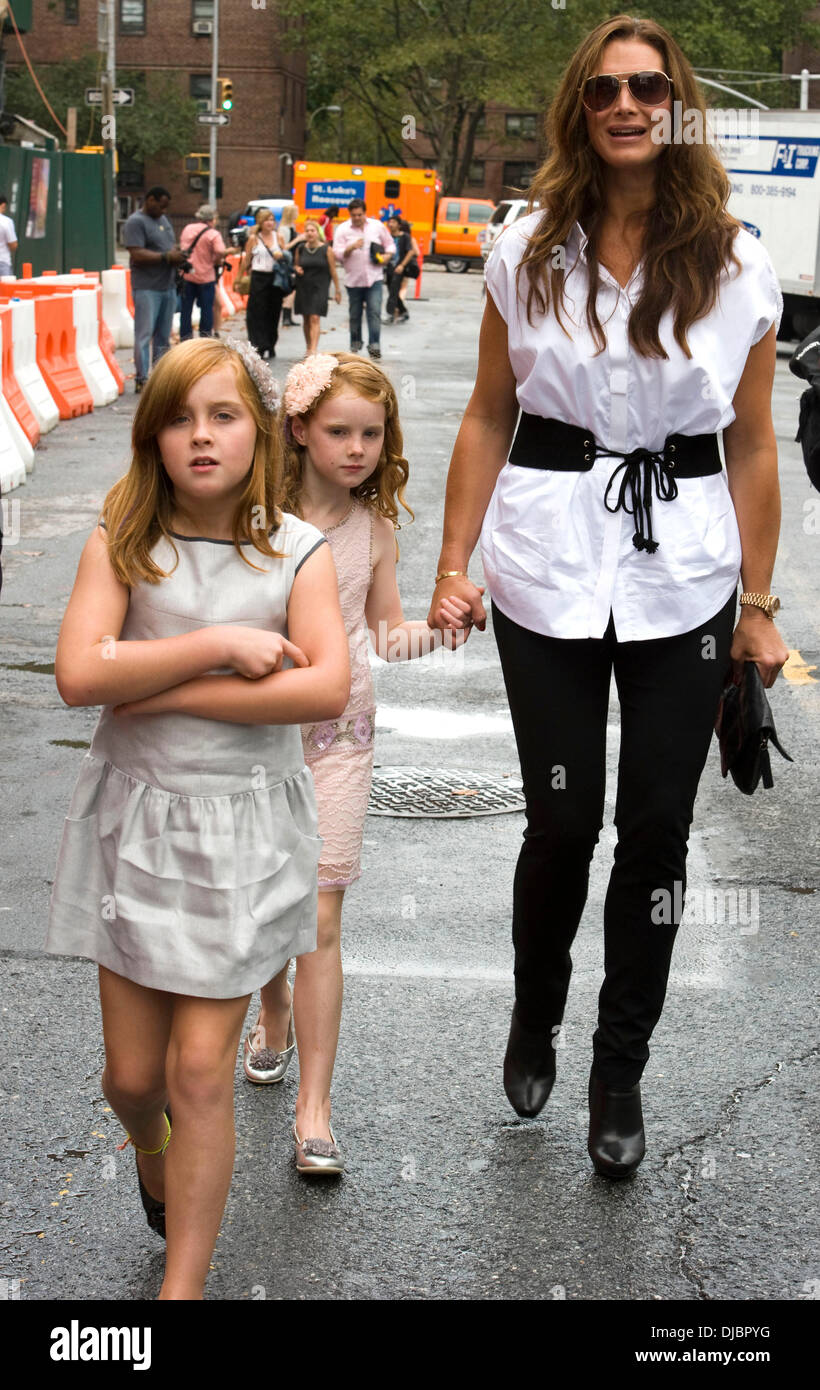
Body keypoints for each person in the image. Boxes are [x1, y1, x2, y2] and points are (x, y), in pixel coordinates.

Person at [428, 13, 788, 1179]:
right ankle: (536, 1008)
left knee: (659, 834)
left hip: (682, 573)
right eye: (601, 91)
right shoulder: (526, 245)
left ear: (676, 105)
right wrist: (452, 560)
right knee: (565, 822)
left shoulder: (736, 259)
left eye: (645, 87)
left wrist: (760, 602)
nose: (625, 105)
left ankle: (617, 1063)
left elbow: (751, 447)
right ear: (578, 111)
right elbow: (488, 411)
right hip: (543, 565)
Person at [46, 338, 349, 1297]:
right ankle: (150, 1154)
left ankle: (183, 1288)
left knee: (200, 1071)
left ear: (259, 434)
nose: (201, 437)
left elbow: (325, 689)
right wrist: (219, 644)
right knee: (133, 1081)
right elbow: (80, 675)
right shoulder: (122, 539)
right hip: (136, 829)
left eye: (222, 416)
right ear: (153, 437)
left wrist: (166, 692)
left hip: (243, 835)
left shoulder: (297, 551)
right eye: (179, 419)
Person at [242, 352, 463, 1174]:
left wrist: (447, 626)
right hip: (255, 735)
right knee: (265, 907)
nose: (358, 448)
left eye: (372, 433)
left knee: (321, 919)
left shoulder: (375, 530)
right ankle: (273, 1018)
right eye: (339, 431)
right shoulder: (251, 515)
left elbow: (387, 634)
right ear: (297, 430)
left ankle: (315, 1112)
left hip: (339, 741)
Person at [123, 187, 187, 392]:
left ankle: (160, 377)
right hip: (147, 287)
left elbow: (168, 247)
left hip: (166, 285)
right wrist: (165, 258)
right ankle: (142, 378)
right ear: (150, 199)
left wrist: (178, 257)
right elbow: (136, 253)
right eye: (160, 205)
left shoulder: (163, 220)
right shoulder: (136, 222)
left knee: (163, 335)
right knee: (144, 333)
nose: (163, 210)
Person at [332, 198, 395, 360]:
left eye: (360, 215)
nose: (357, 218)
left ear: (365, 213)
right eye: (354, 215)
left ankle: (374, 345)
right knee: (355, 314)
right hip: (353, 280)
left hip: (374, 277)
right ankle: (355, 342)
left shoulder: (377, 226)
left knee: (374, 311)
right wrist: (350, 247)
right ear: (350, 214)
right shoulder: (343, 229)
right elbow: (337, 254)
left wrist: (387, 256)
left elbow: (390, 244)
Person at [240, 208, 289, 359]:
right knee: (256, 313)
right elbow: (247, 259)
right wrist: (238, 277)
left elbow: (286, 258)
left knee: (273, 312)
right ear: (260, 222)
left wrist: (281, 255)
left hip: (275, 278)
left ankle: (271, 343)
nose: (270, 223)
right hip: (258, 277)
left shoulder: (279, 237)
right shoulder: (254, 239)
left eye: (272, 220)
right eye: (267, 220)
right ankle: (258, 344)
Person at [293, 218, 342, 355]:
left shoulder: (327, 249)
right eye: (307, 231)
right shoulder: (301, 248)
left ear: (318, 233)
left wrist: (337, 290)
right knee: (306, 318)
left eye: (312, 230)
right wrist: (297, 269)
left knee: (315, 317)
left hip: (320, 287)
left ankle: (313, 349)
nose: (309, 233)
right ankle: (308, 345)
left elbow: (333, 270)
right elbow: (296, 265)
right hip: (303, 286)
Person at [178, 204, 226, 342]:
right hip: (206, 277)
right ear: (213, 218)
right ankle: (205, 339)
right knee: (206, 309)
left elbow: (183, 248)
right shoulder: (213, 234)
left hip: (187, 275)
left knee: (186, 310)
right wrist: (215, 261)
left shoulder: (187, 229)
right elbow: (220, 251)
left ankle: (185, 339)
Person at [385, 216, 420, 324]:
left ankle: (390, 315)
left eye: (394, 222)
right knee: (392, 291)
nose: (391, 224)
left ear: (399, 225)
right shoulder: (387, 237)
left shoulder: (405, 237)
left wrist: (402, 265)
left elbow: (411, 252)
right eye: (390, 222)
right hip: (389, 268)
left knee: (394, 291)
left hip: (399, 269)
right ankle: (404, 312)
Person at [279, 203, 302, 328]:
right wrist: (298, 239)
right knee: (291, 288)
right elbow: (284, 247)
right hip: (287, 262)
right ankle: (286, 317)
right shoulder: (284, 229)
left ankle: (288, 316)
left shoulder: (291, 227)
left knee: (293, 288)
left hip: (293, 260)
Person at [0, 195, 18, 277]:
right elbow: (13, 245)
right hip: (3, 261)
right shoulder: (6, 222)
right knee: (5, 289)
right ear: (3, 205)